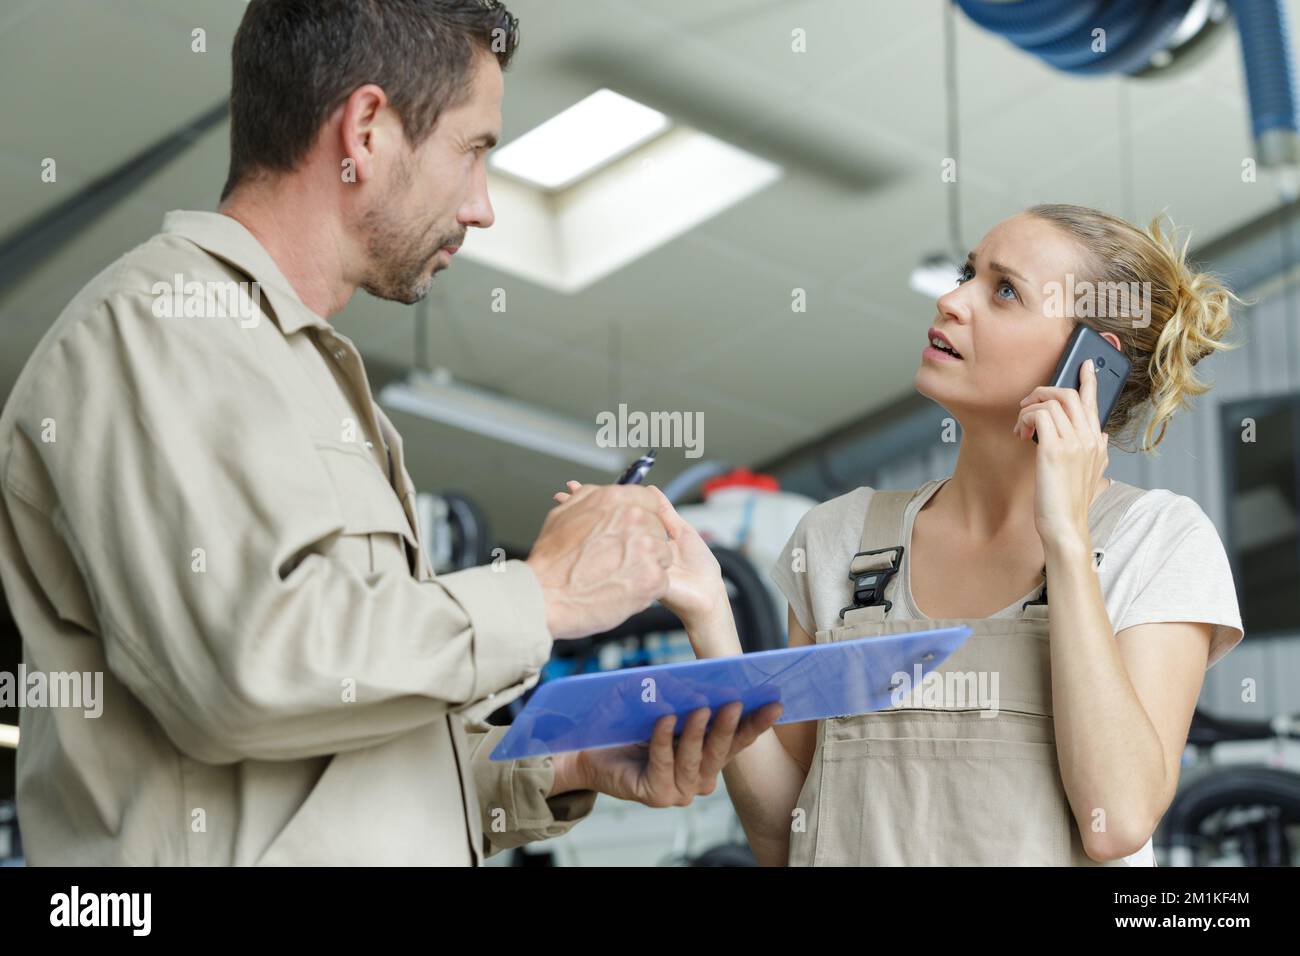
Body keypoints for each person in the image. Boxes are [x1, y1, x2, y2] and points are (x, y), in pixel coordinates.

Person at [0, 0, 777, 866]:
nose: (481, 207)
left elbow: (342, 746)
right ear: (366, 129)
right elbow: (242, 676)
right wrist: (542, 591)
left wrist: (562, 765)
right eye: (473, 150)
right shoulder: (154, 328)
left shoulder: (318, 380)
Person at [590, 203, 1246, 866]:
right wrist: (710, 616)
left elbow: (1118, 820)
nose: (952, 299)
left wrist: (1067, 541)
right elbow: (784, 838)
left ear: (1088, 367)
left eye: (1005, 290)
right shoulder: (837, 539)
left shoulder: (1158, 542)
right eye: (968, 273)